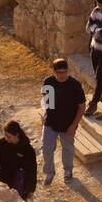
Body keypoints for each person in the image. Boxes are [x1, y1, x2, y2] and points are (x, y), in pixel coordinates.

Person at [40, 58, 85, 186]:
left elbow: (82, 106)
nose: (62, 75)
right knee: (46, 148)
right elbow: (48, 103)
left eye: (64, 72)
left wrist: (74, 125)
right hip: (51, 123)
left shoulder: (75, 85)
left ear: (67, 71)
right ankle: (49, 172)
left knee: (68, 149)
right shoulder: (48, 82)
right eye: (59, 72)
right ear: (53, 71)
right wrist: (46, 116)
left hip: (68, 124)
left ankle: (68, 171)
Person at [0, 120, 37, 202]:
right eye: (5, 135)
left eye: (9, 136)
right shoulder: (1, 144)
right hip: (4, 183)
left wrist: (31, 189)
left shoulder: (27, 149)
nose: (6, 138)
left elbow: (32, 170)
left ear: (17, 135)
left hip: (20, 186)